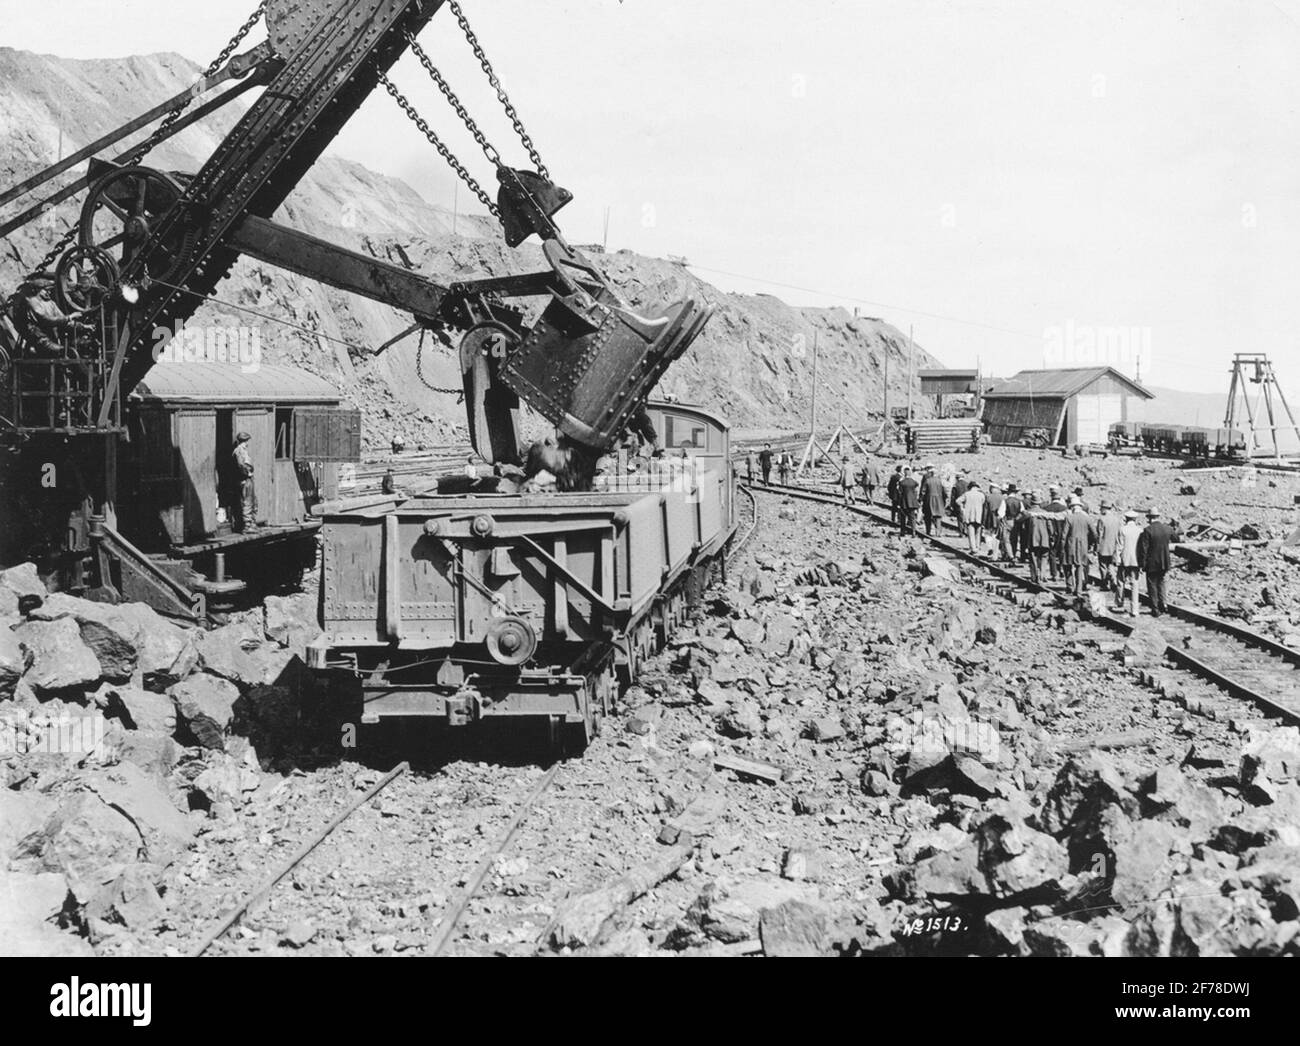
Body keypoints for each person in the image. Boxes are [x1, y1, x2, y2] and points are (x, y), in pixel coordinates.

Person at [1136, 506, 1179, 617]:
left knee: (1152, 586)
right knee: (1161, 583)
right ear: (1158, 517)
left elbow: (1144, 549)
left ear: (1149, 518)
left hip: (1151, 563)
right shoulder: (1167, 528)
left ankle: (1155, 609)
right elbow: (1176, 538)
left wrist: (1142, 564)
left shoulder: (1147, 530)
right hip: (1164, 561)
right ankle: (1163, 604)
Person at [1061, 496, 1096, 597]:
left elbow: (1064, 535)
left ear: (1072, 507)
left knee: (1067, 565)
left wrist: (1062, 548)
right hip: (1083, 545)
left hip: (1070, 545)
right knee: (1079, 566)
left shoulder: (1069, 518)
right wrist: (1091, 544)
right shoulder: (1087, 518)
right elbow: (1094, 533)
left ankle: (1069, 587)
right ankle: (1079, 589)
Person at [1116, 509, 1144, 616]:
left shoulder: (1122, 529)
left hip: (1124, 559)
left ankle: (1119, 602)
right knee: (1135, 585)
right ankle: (1134, 609)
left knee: (1120, 581)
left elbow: (1119, 546)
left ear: (1126, 519)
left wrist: (1118, 559)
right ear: (1135, 519)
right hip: (1136, 560)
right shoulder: (1140, 530)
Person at [1094, 499, 1123, 600]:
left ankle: (1105, 583)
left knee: (1103, 565)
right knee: (1111, 565)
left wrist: (1096, 547)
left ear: (1104, 509)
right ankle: (1113, 580)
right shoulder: (1117, 519)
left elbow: (1099, 535)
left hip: (1104, 546)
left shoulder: (1101, 519)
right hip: (1114, 547)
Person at [232, 432, 258, 533]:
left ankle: (250, 523)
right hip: (245, 479)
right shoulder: (239, 451)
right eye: (246, 441)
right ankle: (247, 526)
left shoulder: (242, 450)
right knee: (247, 501)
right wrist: (247, 473)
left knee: (252, 501)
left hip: (246, 479)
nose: (247, 443)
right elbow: (241, 465)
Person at [1043, 484, 1069, 581]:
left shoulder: (1046, 508)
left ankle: (1054, 573)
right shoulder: (1064, 509)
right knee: (1062, 552)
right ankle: (1062, 569)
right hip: (1063, 533)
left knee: (1052, 553)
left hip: (1051, 534)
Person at [1027, 493, 1054, 584]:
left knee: (1033, 557)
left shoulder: (1028, 513)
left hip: (1032, 538)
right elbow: (1050, 527)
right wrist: (1051, 535)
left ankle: (1035, 575)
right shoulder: (1045, 513)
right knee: (1044, 557)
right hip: (1044, 538)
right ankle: (1043, 575)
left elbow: (1023, 526)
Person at [957, 479, 986, 554]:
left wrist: (962, 507)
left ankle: (973, 548)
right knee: (978, 532)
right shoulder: (981, 495)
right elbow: (983, 502)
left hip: (969, 515)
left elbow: (958, 501)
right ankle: (977, 546)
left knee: (971, 532)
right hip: (979, 515)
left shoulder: (967, 494)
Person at [920, 463, 946, 535]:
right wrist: (943, 500)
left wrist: (921, 500)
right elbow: (944, 492)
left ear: (931, 473)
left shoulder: (927, 481)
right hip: (939, 500)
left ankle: (928, 531)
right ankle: (938, 532)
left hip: (929, 500)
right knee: (938, 516)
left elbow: (923, 492)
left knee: (928, 516)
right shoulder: (939, 481)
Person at [983, 482, 1006, 558]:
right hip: (1000, 518)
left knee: (988, 534)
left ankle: (990, 548)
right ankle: (996, 549)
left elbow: (985, 510)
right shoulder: (1002, 497)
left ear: (992, 489)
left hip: (990, 518)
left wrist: (984, 520)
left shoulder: (988, 497)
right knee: (997, 535)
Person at [1002, 483, 1023, 562]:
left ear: (1008, 492)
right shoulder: (1019, 501)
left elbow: (1001, 513)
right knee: (1015, 538)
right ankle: (1014, 554)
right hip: (1016, 521)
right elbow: (1022, 512)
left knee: (1007, 539)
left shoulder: (1006, 501)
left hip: (1008, 520)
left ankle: (1011, 555)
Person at [897, 465, 920, 535]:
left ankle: (902, 531)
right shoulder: (914, 482)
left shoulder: (902, 482)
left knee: (903, 517)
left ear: (904, 473)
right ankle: (913, 531)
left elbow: (899, 492)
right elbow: (916, 491)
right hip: (912, 502)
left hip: (904, 502)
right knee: (912, 517)